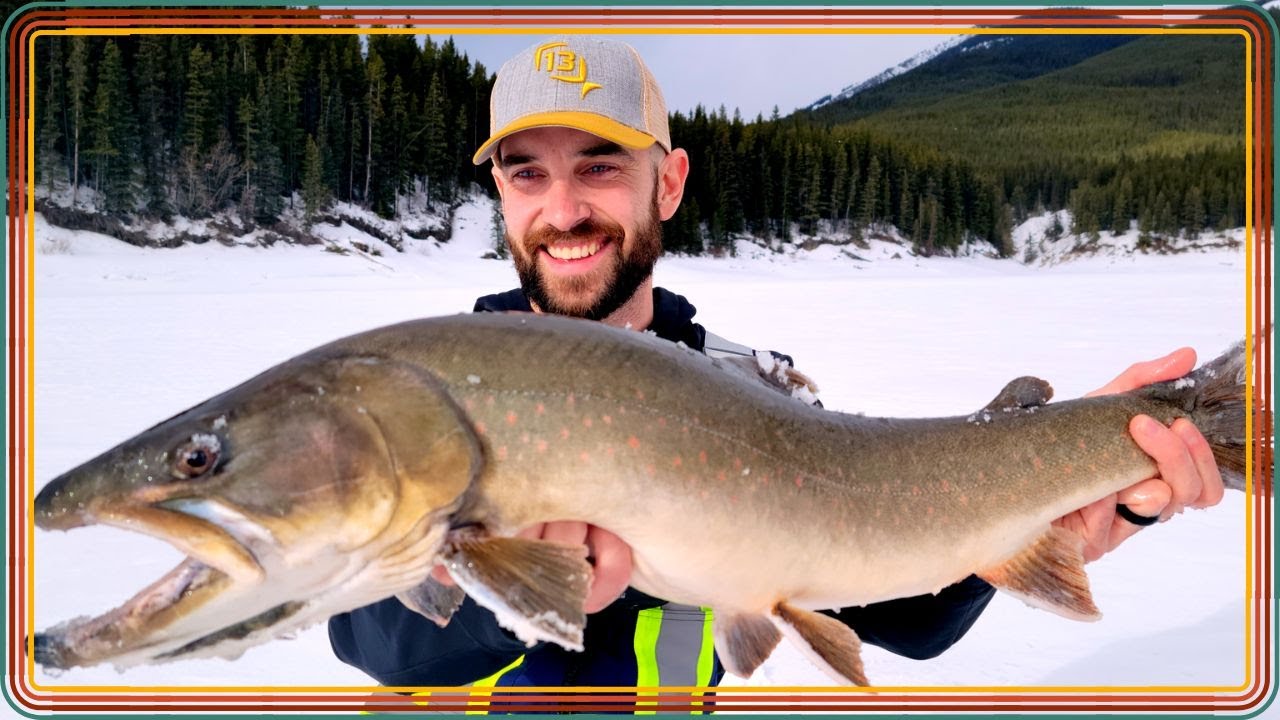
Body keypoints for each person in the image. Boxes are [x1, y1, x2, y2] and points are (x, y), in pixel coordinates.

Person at [329, 36, 1224, 695]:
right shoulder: (432, 395)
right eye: (527, 175)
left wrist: (1047, 508)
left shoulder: (750, 393)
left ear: (668, 184)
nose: (562, 210)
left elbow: (903, 614)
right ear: (501, 198)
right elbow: (364, 636)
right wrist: (507, 589)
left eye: (600, 168)